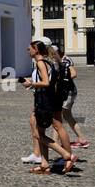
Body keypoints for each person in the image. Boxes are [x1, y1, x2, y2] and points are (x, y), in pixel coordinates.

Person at [20, 41, 77, 174]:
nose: (28, 51)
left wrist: (31, 84)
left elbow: (45, 82)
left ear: (36, 50)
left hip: (44, 102)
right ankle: (45, 164)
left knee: (38, 134)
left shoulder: (40, 63)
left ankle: (66, 155)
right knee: (41, 131)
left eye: (30, 49)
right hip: (46, 101)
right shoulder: (47, 62)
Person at [51, 44, 89, 149]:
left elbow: (73, 73)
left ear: (58, 52)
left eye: (53, 53)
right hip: (64, 92)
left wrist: (61, 79)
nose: (52, 56)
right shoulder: (56, 61)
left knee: (57, 116)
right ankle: (82, 139)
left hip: (68, 92)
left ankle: (55, 142)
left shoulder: (66, 60)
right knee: (66, 116)